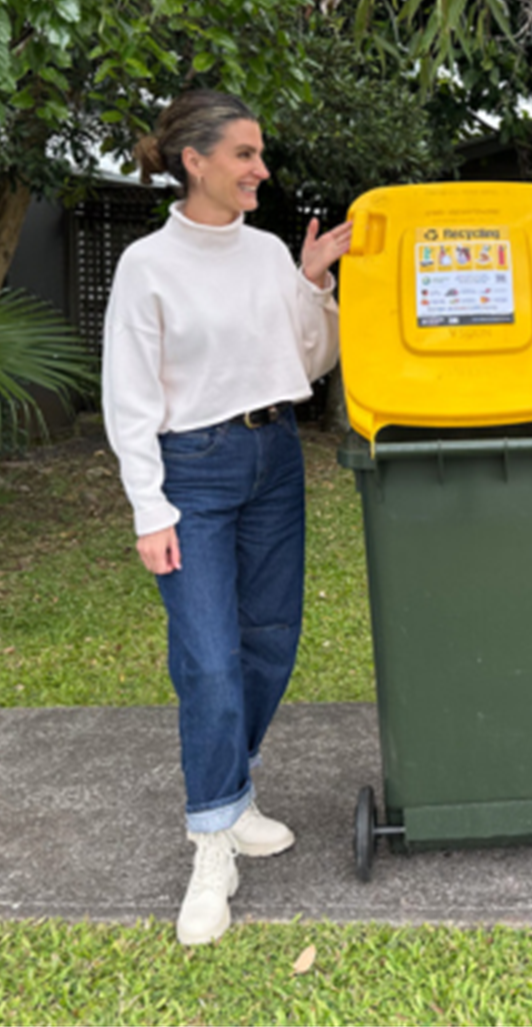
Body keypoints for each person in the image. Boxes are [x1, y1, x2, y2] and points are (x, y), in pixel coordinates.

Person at [102, 90, 352, 945]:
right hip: (195, 472)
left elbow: (310, 363)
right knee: (207, 659)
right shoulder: (146, 265)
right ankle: (212, 846)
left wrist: (312, 282)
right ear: (193, 161)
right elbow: (128, 398)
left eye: (260, 153)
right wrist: (149, 505)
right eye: (244, 154)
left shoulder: (270, 252)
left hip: (274, 456)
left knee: (271, 638)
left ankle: (232, 791)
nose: (260, 169)